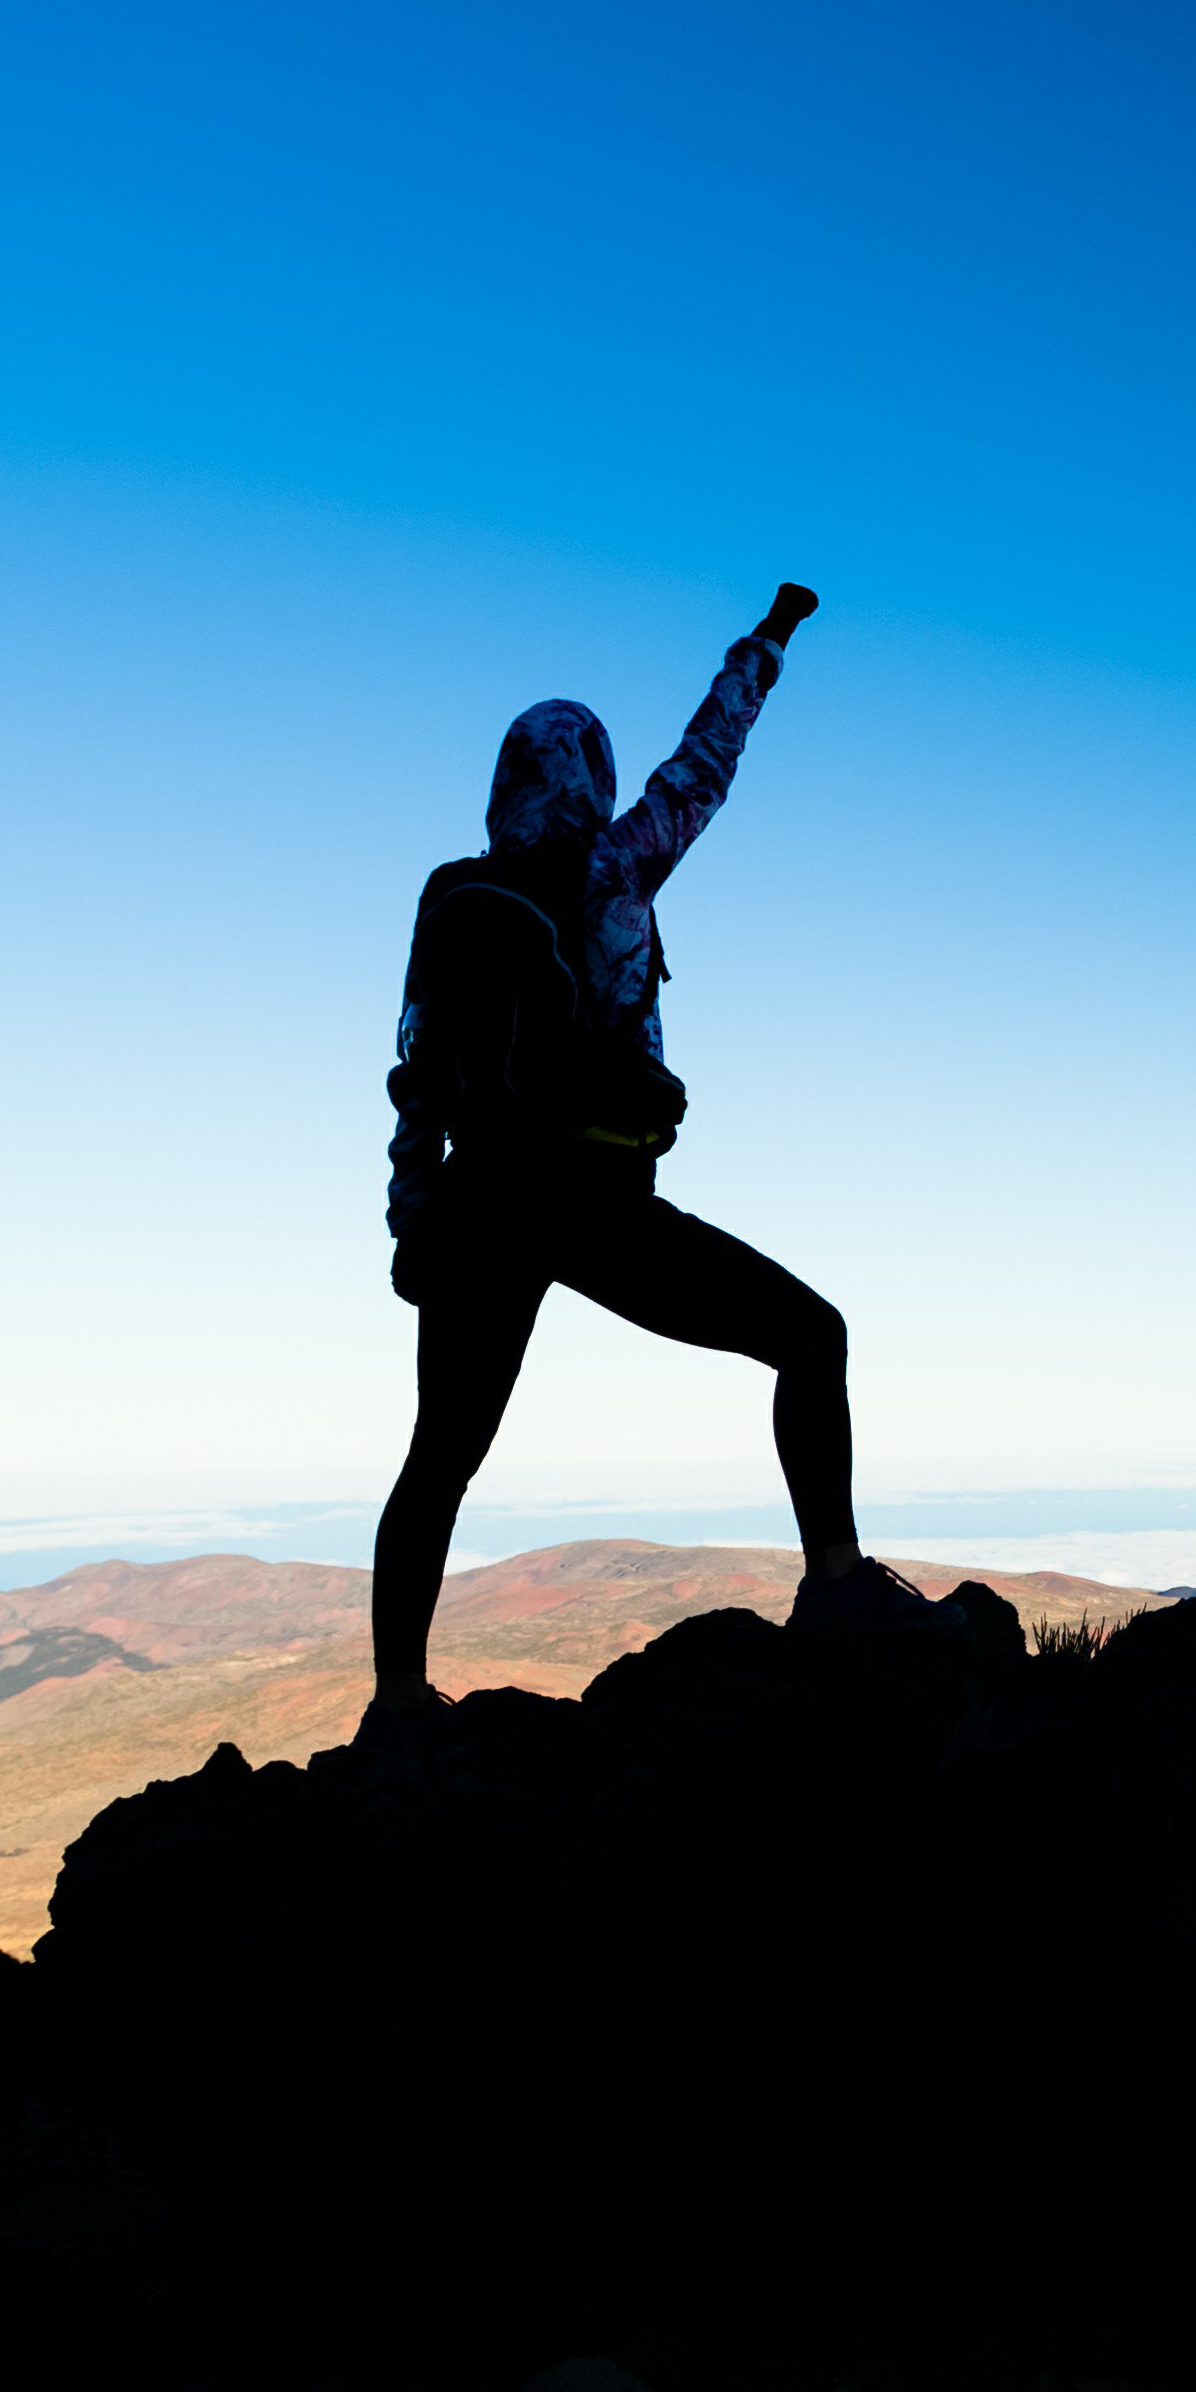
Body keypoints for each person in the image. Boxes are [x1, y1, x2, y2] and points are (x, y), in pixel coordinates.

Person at [365, 580, 931, 1734]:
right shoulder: (617, 866)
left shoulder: (455, 897)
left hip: (481, 1205)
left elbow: (414, 1068)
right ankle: (835, 1585)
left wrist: (412, 1215)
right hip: (601, 1202)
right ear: (593, 773)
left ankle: (397, 1707)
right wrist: (765, 647)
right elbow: (705, 764)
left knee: (438, 1462)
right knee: (811, 1339)